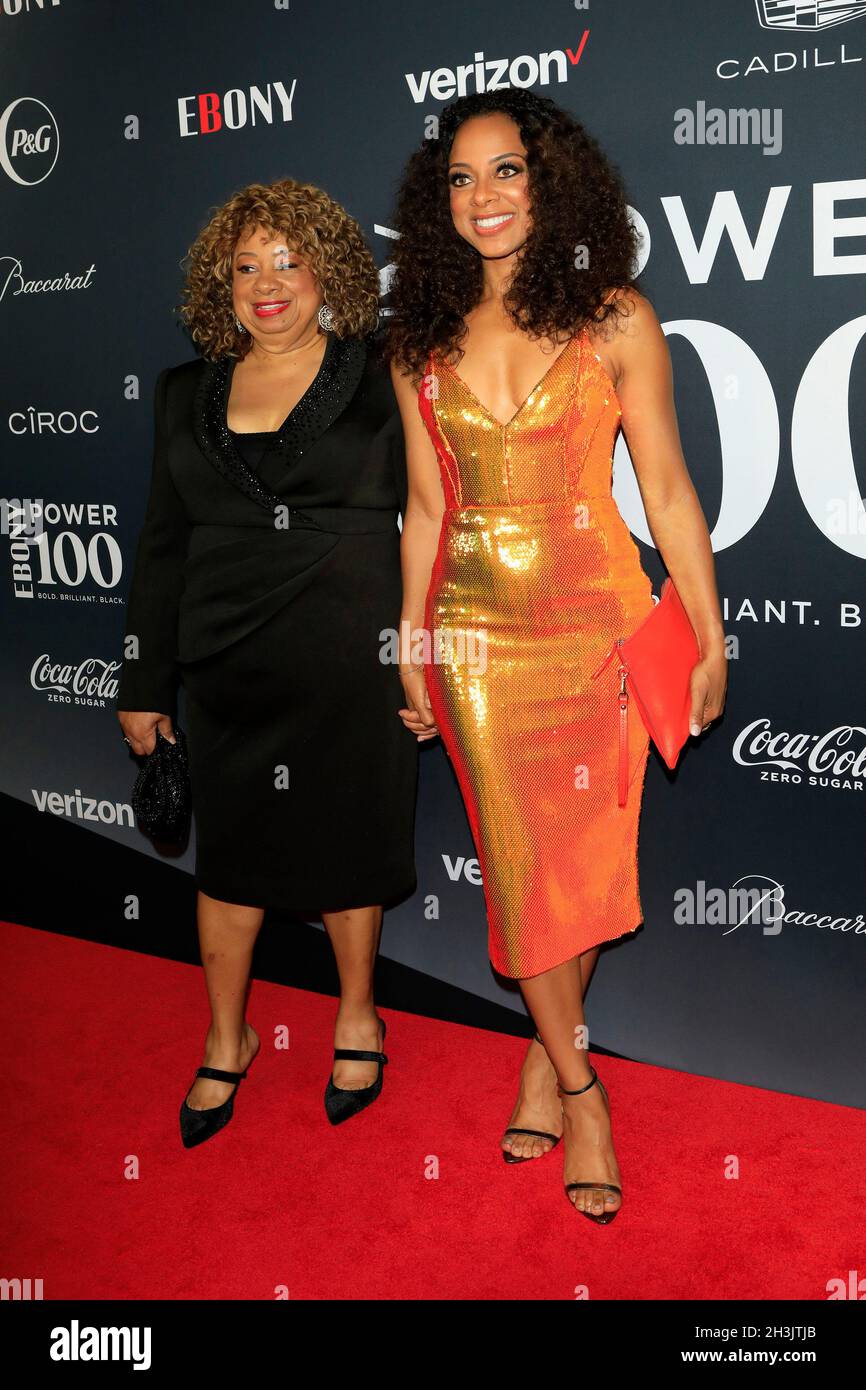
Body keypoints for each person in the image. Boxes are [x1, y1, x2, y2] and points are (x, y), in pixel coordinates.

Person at [386, 91, 727, 1222]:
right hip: (477, 640)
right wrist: (412, 646)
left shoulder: (614, 317)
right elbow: (427, 513)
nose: (482, 198)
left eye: (505, 172)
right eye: (459, 179)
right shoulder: (417, 338)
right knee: (525, 870)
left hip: (598, 627)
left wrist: (707, 629)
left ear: (551, 182)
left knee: (577, 873)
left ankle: (543, 1050)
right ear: (437, 203)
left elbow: (668, 491)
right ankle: (582, 1086)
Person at [116, 179, 418, 1147]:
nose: (266, 282)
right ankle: (226, 1034)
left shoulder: (387, 373)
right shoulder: (180, 391)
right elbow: (162, 545)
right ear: (221, 285)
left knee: (346, 843)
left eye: (287, 259)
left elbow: (441, 520)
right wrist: (142, 682)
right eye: (244, 265)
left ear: (327, 268)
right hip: (227, 666)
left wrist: (429, 651)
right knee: (231, 858)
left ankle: (358, 1013)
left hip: (352, 659)